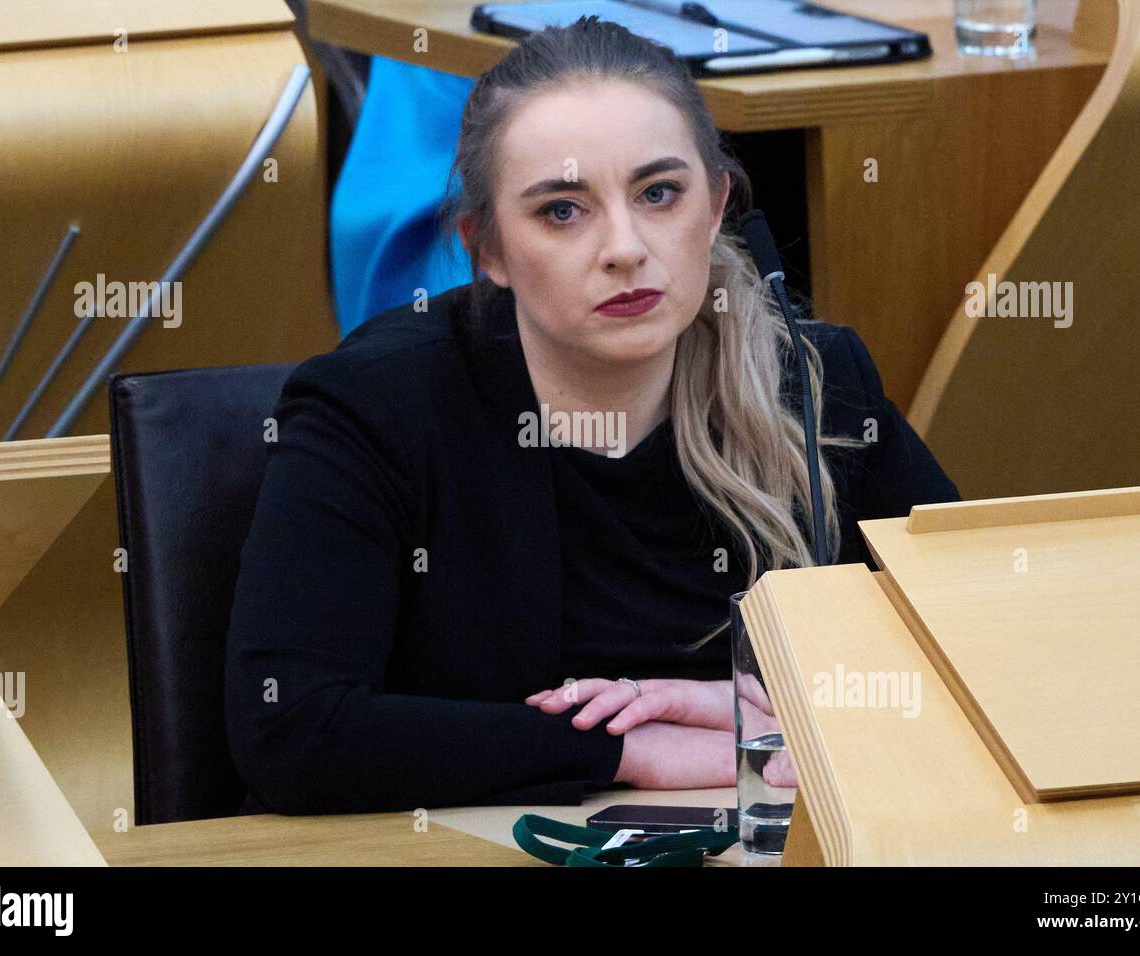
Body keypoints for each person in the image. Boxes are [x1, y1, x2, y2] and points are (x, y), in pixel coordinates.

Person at [224, 16, 960, 815]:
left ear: (715, 207)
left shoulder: (813, 382)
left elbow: (995, 644)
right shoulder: (378, 404)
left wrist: (767, 701)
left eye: (659, 194)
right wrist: (626, 749)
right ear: (489, 249)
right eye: (563, 211)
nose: (625, 247)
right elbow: (290, 726)